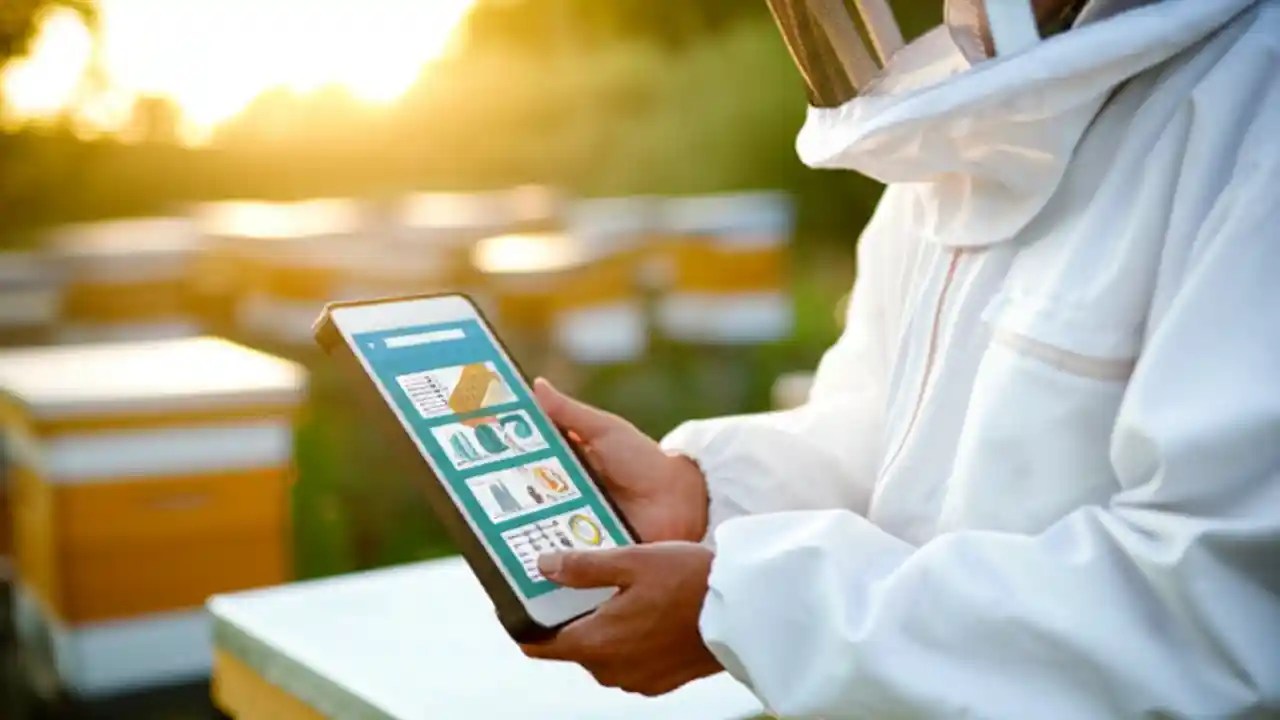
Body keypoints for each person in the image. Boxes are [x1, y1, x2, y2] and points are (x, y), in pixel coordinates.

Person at [520, 0, 1280, 716]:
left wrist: (751, 606)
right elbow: (892, 439)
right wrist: (705, 499)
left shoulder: (1254, 115)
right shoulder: (961, 117)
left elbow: (1220, 613)